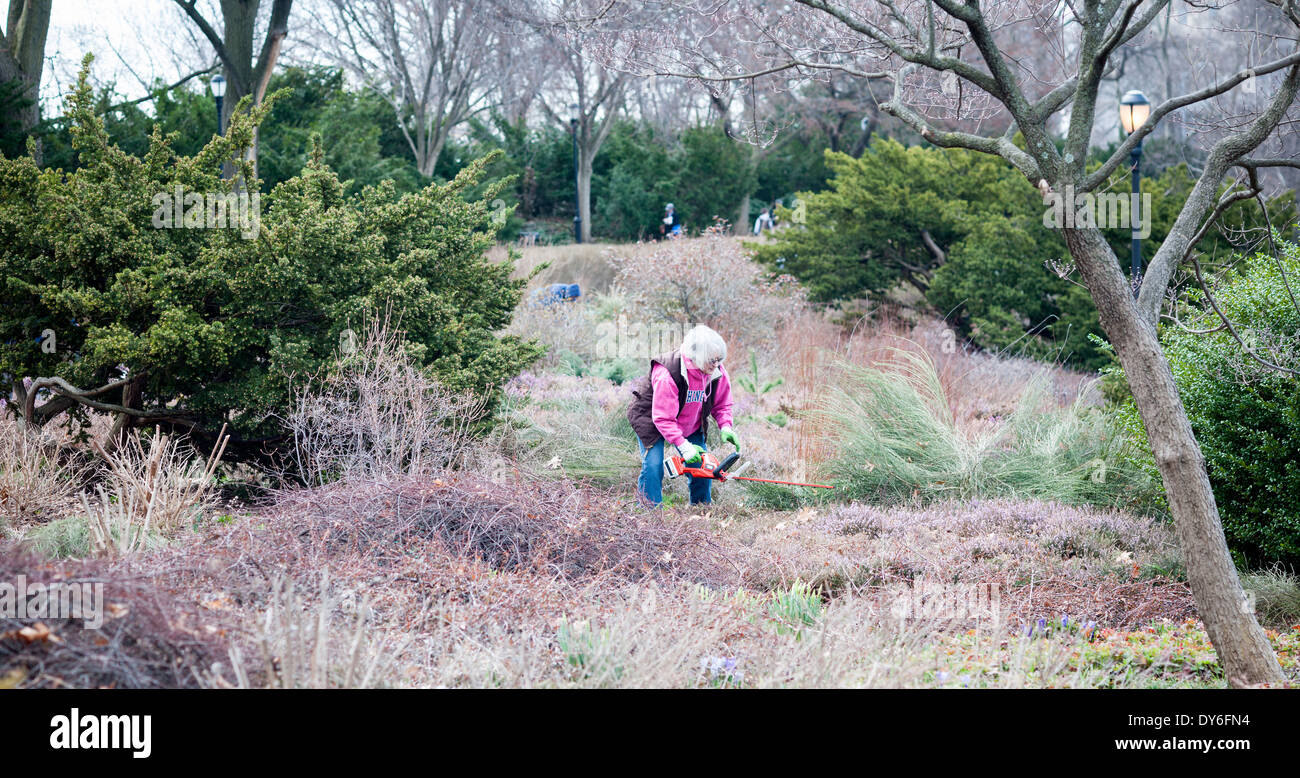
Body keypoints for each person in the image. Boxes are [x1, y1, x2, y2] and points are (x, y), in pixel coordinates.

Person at [625, 324, 740, 506]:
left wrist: (726, 426)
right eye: (712, 360)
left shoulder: (716, 369)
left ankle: (701, 508)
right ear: (696, 356)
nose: (717, 364)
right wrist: (683, 446)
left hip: (689, 423)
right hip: (652, 421)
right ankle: (648, 514)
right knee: (654, 466)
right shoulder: (667, 373)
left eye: (719, 359)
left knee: (701, 465)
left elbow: (722, 404)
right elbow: (662, 418)